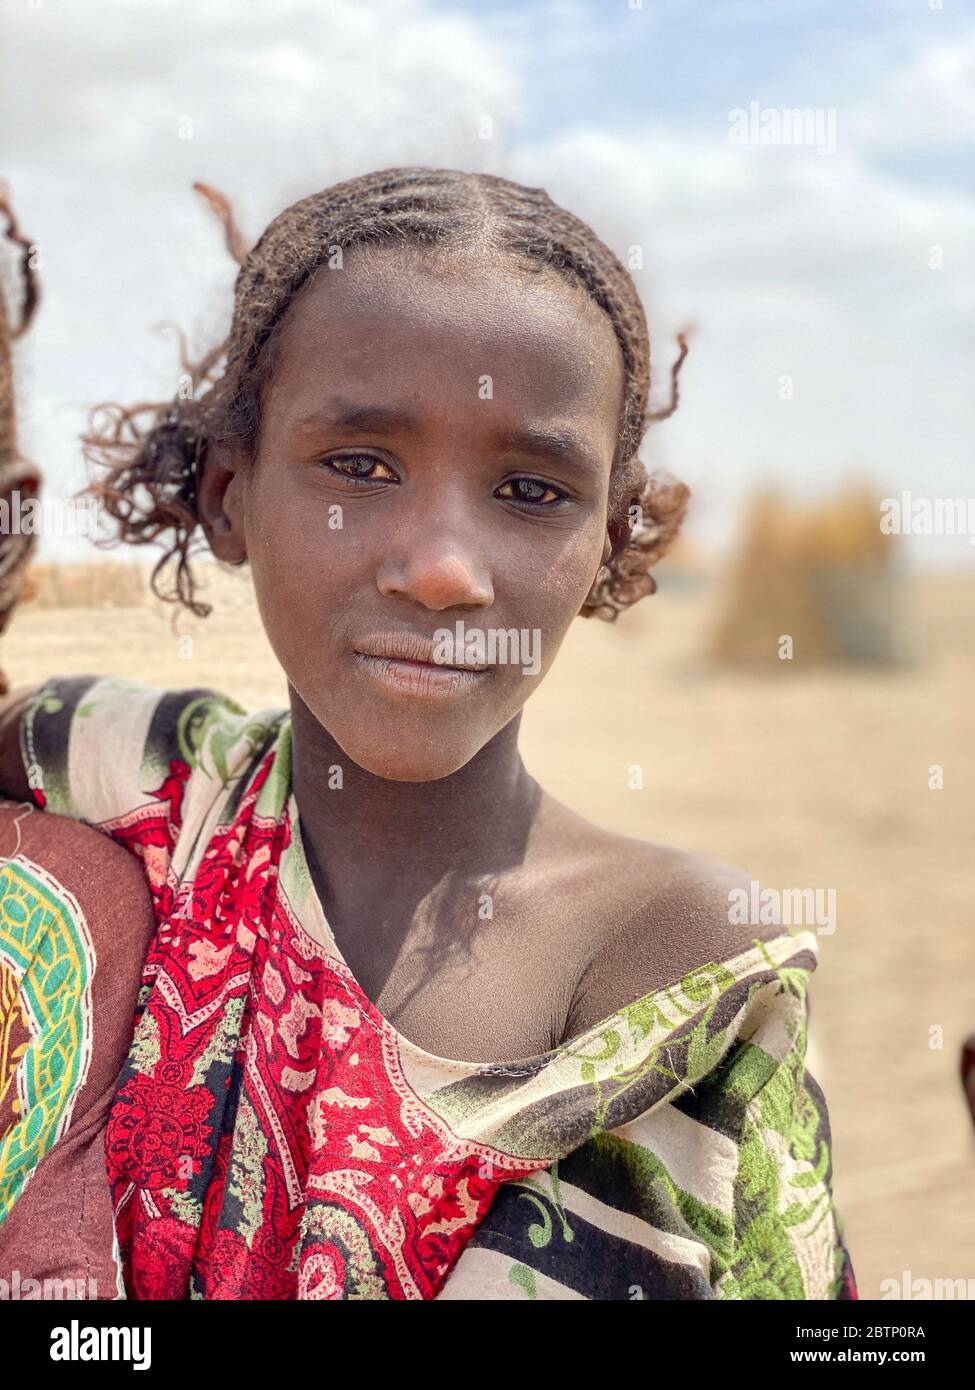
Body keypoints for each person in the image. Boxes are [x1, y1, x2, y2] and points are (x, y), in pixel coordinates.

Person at [0, 167, 856, 1300]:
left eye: (532, 490)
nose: (445, 570)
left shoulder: (685, 970)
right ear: (227, 495)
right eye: (360, 467)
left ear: (608, 535)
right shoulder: (122, 769)